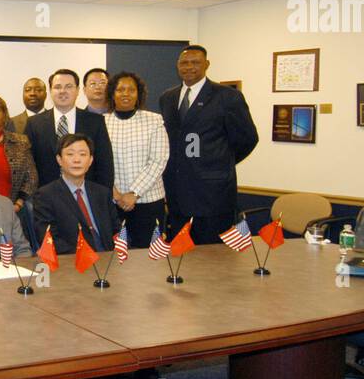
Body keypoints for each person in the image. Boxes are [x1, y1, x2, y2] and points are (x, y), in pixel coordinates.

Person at [159, 45, 258, 244]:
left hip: (213, 193)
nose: (189, 67)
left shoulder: (227, 96)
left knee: (213, 257)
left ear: (207, 64)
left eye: (195, 62)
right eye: (184, 63)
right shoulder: (167, 98)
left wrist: (220, 160)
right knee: (179, 254)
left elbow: (247, 138)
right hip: (177, 193)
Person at [104, 71, 169, 249]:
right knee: (115, 256)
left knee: (148, 256)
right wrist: (116, 193)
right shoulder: (102, 122)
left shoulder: (154, 120)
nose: (126, 94)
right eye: (120, 90)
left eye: (131, 90)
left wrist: (134, 193)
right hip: (113, 201)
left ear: (138, 94)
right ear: (112, 93)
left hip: (148, 200)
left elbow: (158, 160)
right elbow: (100, 163)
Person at [25, 69, 113, 190]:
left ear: (77, 90)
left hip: (86, 195)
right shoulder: (34, 123)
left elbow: (105, 164)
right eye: (57, 87)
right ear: (50, 91)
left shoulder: (95, 122)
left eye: (69, 86)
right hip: (45, 197)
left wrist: (102, 197)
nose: (62, 91)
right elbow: (28, 165)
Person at [32, 133, 116, 255]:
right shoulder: (45, 195)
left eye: (82, 154)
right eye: (70, 154)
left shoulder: (102, 193)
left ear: (90, 160)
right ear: (59, 160)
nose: (77, 160)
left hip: (108, 258)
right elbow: (48, 238)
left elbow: (116, 230)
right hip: (73, 261)